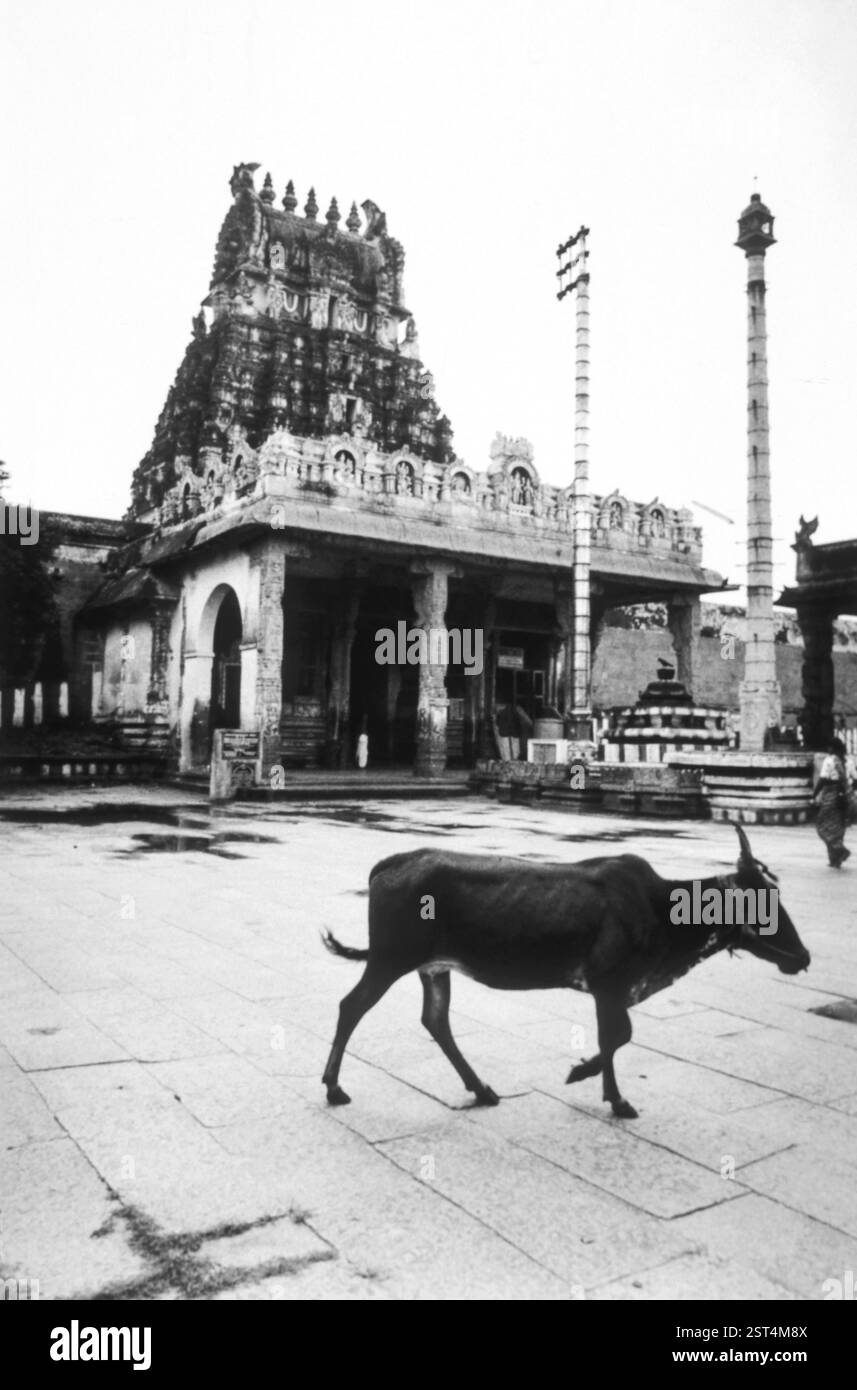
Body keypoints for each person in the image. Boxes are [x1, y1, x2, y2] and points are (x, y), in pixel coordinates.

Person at [813, 737, 852, 868]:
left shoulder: (829, 760)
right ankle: (835, 860)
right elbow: (854, 779)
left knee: (823, 826)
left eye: (829, 747)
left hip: (831, 795)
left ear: (832, 748)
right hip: (844, 797)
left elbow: (823, 779)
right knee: (839, 827)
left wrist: (815, 793)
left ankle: (840, 851)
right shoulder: (847, 761)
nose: (827, 749)